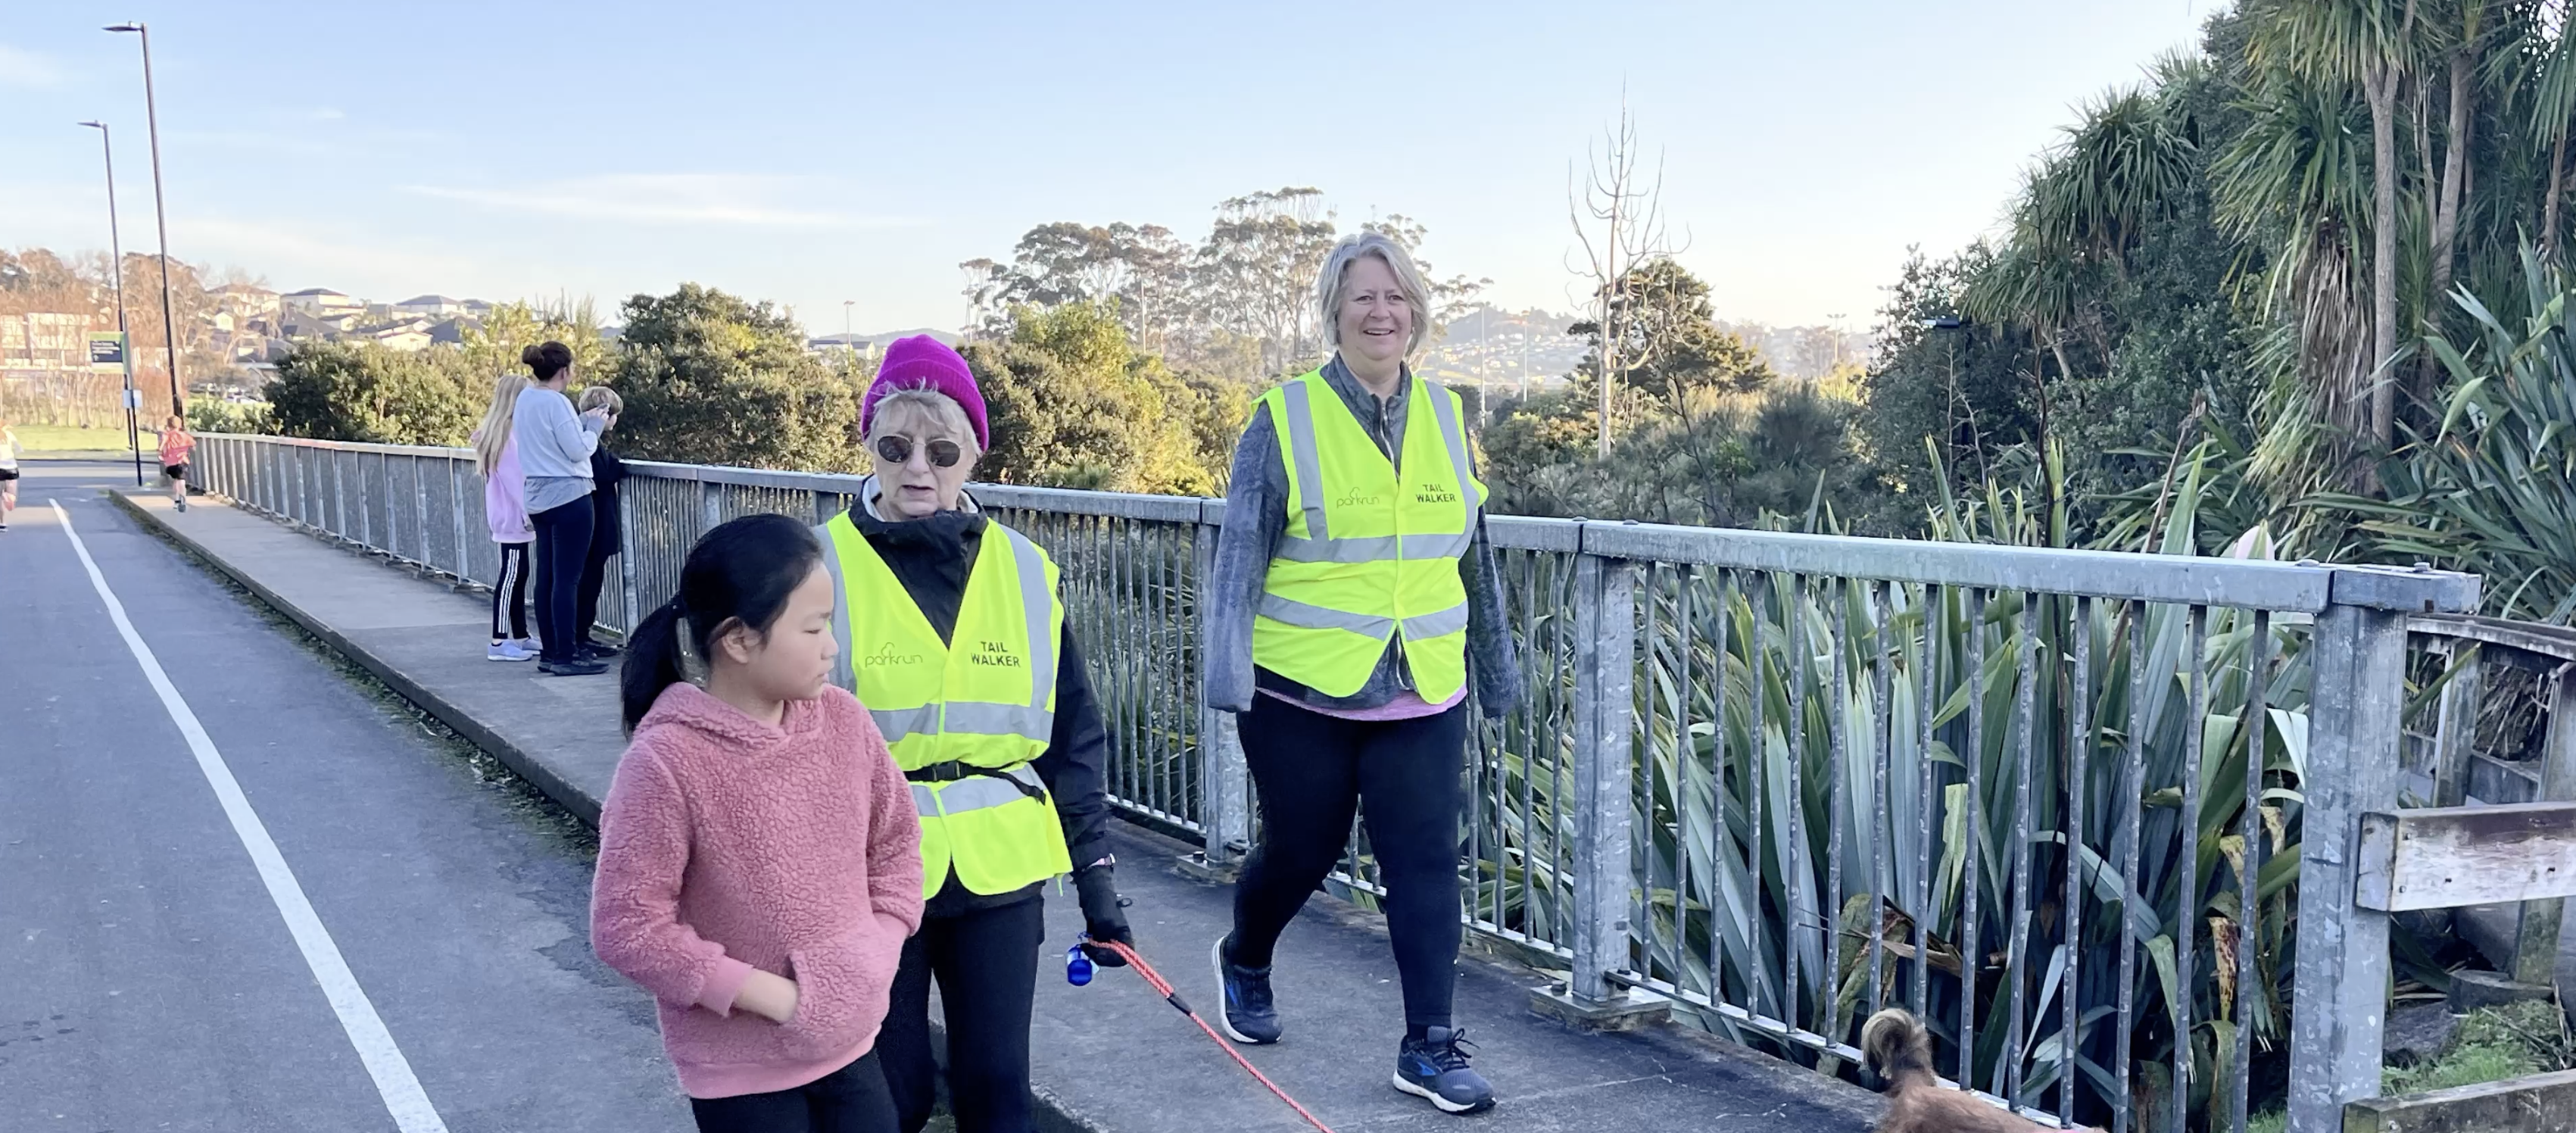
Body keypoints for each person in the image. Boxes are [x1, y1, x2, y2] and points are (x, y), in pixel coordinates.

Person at [1202, 232, 1520, 1116]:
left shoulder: (1451, 414)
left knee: (1423, 859)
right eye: (1363, 299)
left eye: (1397, 297)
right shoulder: (1285, 416)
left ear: (1416, 309)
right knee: (1303, 848)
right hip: (1301, 687)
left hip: (1423, 679)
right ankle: (1247, 954)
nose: (1383, 313)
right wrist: (1227, 677)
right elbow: (1241, 556)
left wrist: (1496, 670)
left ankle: (1428, 1042)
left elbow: (1472, 551)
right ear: (1334, 314)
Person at [814, 336, 1129, 1133]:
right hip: (868, 867)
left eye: (942, 449)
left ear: (973, 456)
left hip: (1000, 868)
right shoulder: (813, 565)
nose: (918, 467)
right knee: (895, 1093)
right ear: (868, 447)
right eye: (896, 446)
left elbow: (1073, 733)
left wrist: (1097, 883)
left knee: (997, 1090)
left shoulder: (1027, 569)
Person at [592, 513, 925, 1133]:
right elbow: (627, 926)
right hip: (739, 1073)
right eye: (814, 626)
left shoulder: (845, 722)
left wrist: (875, 952)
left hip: (851, 1046)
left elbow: (898, 845)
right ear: (739, 640)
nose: (832, 645)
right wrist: (777, 998)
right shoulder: (665, 761)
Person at [511, 341, 610, 676]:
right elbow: (577, 450)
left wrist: (581, 419)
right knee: (568, 581)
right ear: (565, 371)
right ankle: (568, 655)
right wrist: (594, 428)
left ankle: (550, 652)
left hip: (537, 496)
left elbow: (548, 436)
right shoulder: (557, 402)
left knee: (547, 577)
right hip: (570, 496)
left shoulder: (526, 398)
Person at [471, 374, 539, 663]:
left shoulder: (497, 433)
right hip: (514, 518)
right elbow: (516, 481)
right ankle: (498, 642)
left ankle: (521, 636)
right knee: (511, 577)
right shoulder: (509, 436)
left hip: (507, 516)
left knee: (517, 575)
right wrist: (530, 512)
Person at [573, 385, 629, 663]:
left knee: (588, 582)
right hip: (595, 523)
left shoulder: (591, 441)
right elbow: (605, 473)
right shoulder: (590, 442)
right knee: (588, 582)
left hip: (593, 522)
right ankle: (579, 636)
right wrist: (618, 466)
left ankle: (582, 634)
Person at [158, 414, 195, 513]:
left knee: (177, 480)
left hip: (170, 463)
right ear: (180, 425)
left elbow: (161, 447)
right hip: (182, 460)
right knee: (181, 481)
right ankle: (182, 500)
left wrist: (161, 453)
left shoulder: (167, 435)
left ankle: (178, 500)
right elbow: (193, 445)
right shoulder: (185, 436)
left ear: (169, 425)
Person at [0, 417, 20, 532]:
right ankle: (9, 497)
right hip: (11, 467)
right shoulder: (9, 435)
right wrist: (12, 454)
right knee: (12, 492)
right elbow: (19, 449)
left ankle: (2, 523)